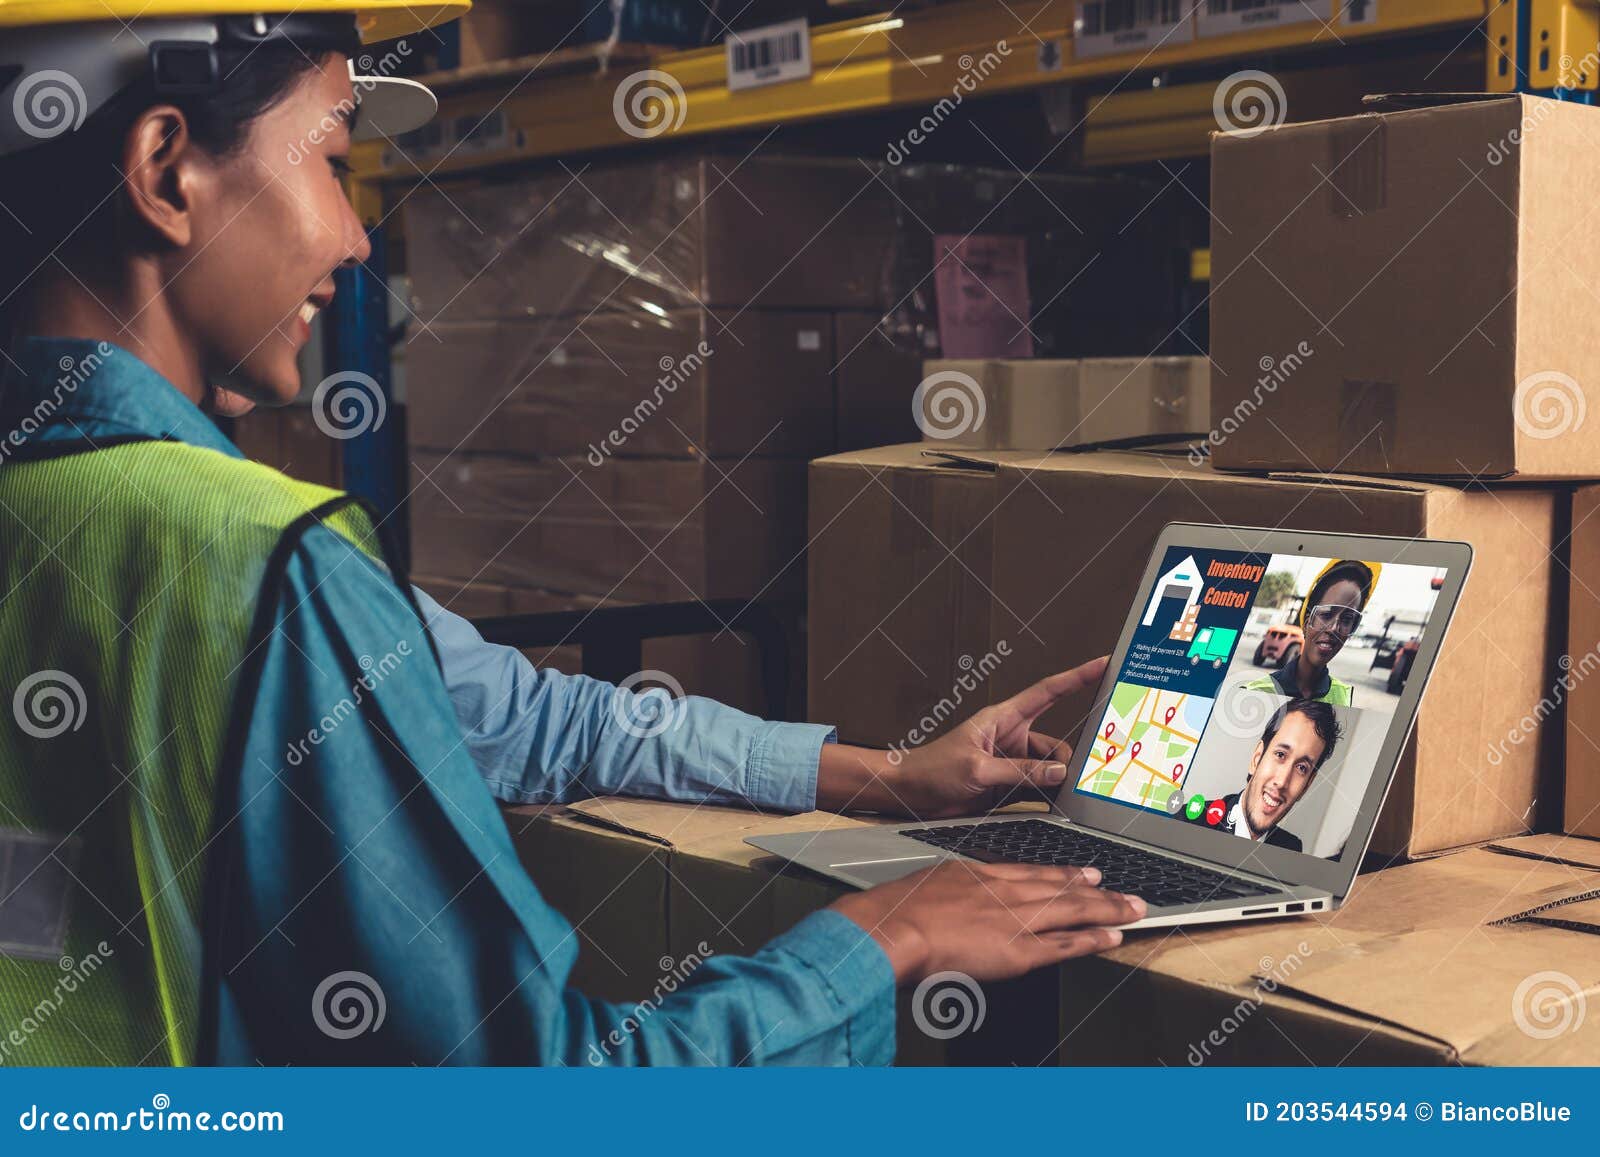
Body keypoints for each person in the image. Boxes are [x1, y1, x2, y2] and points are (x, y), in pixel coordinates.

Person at [0, 5, 1143, 1067]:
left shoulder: (105, 513)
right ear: (164, 170)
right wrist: (877, 940)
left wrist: (888, 777)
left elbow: (518, 712)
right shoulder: (266, 559)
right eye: (335, 165)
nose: (356, 238)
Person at [1187, 699, 1342, 853]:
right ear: (1257, 758)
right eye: (1280, 754)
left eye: (1302, 768)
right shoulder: (1189, 824)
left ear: (1306, 786)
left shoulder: (1290, 850)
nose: (1282, 782)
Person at [1244, 560, 1379, 706]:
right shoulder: (1255, 692)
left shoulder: (1343, 696)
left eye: (1347, 620)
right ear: (1307, 622)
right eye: (1326, 615)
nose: (1333, 628)